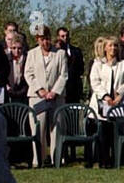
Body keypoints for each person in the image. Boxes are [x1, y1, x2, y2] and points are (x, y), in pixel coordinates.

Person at [24, 25, 68, 166]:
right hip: (37, 97)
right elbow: (28, 74)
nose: (45, 42)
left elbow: (63, 75)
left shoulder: (60, 54)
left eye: (47, 39)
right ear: (37, 39)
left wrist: (54, 91)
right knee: (38, 128)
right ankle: (39, 159)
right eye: (42, 39)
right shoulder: (31, 54)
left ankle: (57, 158)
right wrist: (40, 90)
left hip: (56, 97)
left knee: (57, 127)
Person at [88, 35, 124, 168]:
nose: (113, 48)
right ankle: (103, 161)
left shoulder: (123, 64)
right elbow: (94, 82)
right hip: (102, 103)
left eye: (115, 45)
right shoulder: (98, 64)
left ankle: (117, 160)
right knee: (103, 133)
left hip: (118, 103)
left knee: (115, 132)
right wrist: (105, 96)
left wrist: (119, 94)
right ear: (105, 48)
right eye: (110, 45)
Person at [55, 27, 85, 104]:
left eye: (67, 36)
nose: (65, 38)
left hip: (74, 89)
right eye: (62, 36)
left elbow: (81, 69)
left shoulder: (76, 51)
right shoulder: (54, 52)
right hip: (60, 89)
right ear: (58, 37)